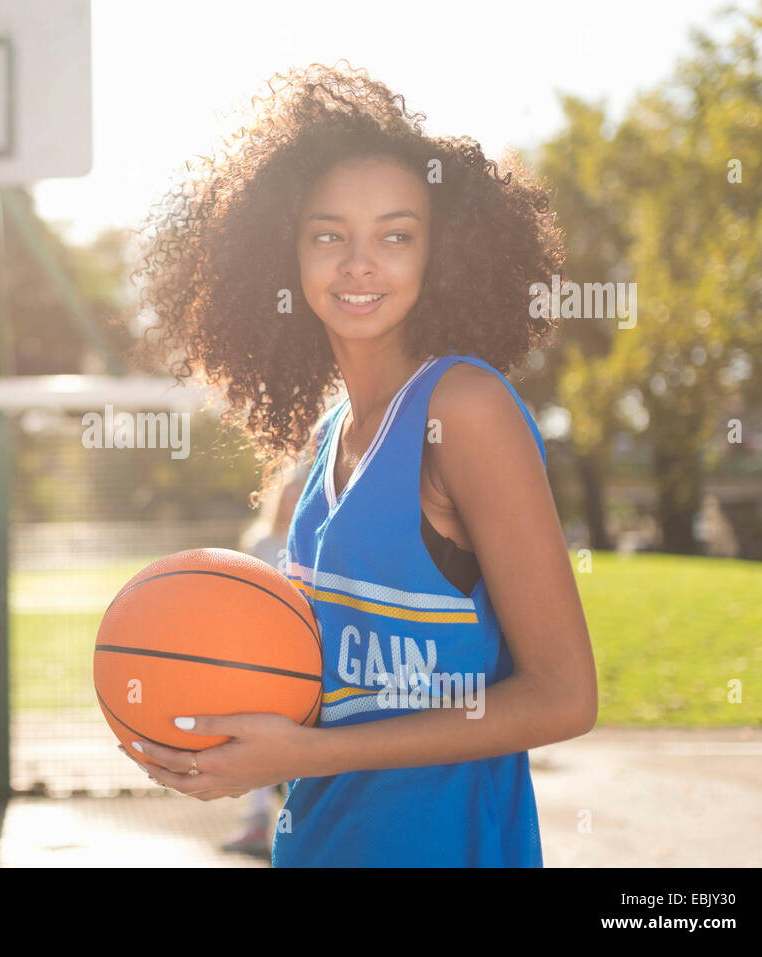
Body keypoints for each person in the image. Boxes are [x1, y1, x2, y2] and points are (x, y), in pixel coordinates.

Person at [121, 63, 597, 866]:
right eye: (329, 234)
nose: (358, 263)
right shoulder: (329, 440)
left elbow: (564, 697)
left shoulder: (464, 411)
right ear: (288, 253)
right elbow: (343, 696)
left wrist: (300, 757)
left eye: (396, 235)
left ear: (441, 253)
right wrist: (225, 741)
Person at [220, 468, 308, 859]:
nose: (292, 499)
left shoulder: (310, 536)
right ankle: (258, 824)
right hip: (261, 656)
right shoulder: (259, 542)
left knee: (296, 738)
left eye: (298, 493)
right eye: (287, 492)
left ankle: (297, 823)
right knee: (255, 736)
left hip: (301, 654)